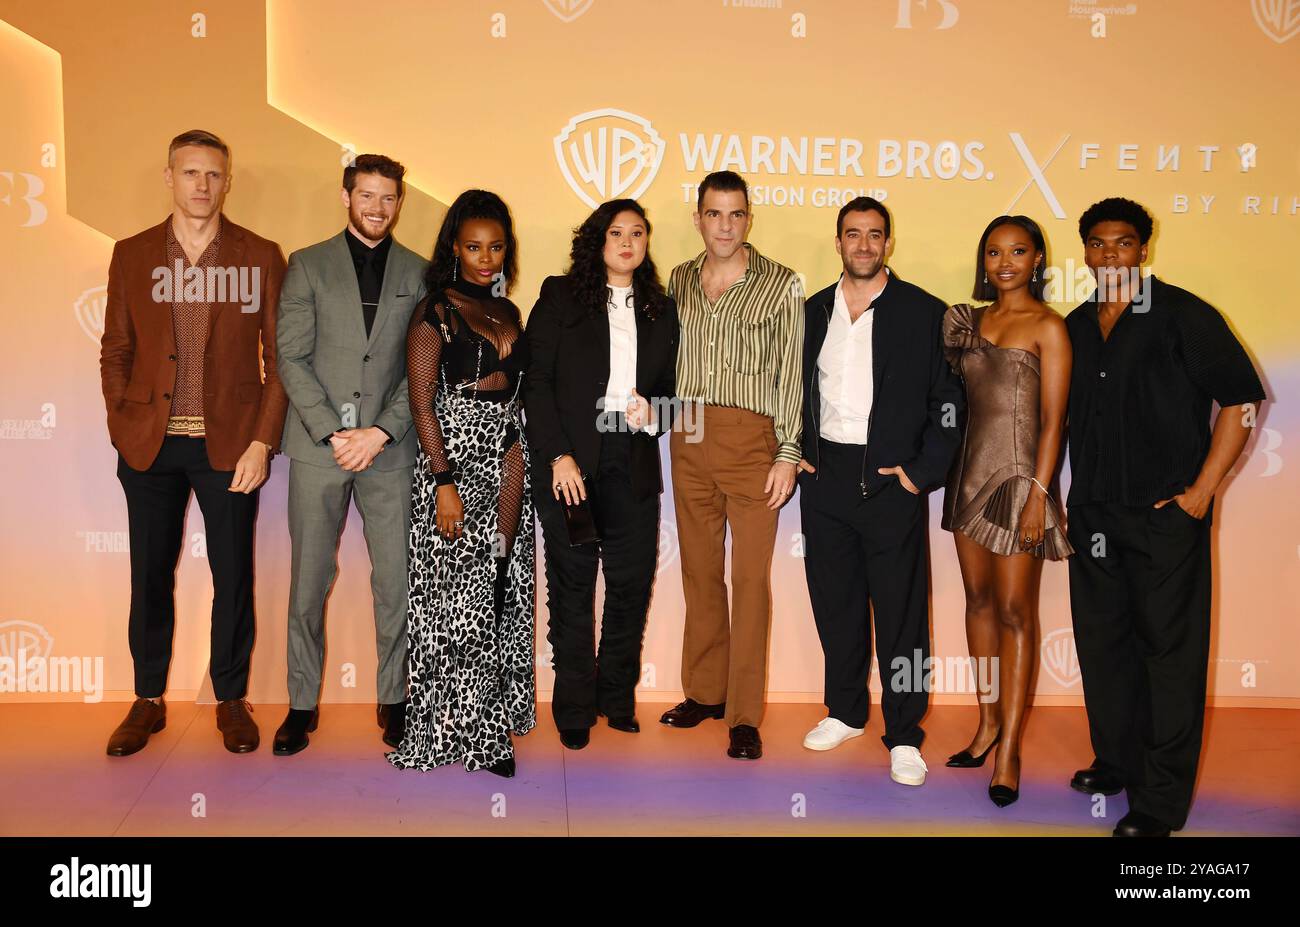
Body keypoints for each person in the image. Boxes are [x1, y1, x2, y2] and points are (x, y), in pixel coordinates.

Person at [1064, 197, 1265, 837]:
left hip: (1164, 517)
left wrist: (1203, 492)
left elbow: (1240, 401)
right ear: (1086, 251)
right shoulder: (1074, 323)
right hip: (1093, 513)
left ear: (1144, 248)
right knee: (1104, 648)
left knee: (1169, 658)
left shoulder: (1184, 314)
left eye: (1123, 243)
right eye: (1098, 244)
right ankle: (1117, 761)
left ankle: (1158, 803)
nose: (1109, 256)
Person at [100, 129, 288, 755]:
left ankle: (231, 698)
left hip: (229, 445)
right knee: (149, 574)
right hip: (149, 446)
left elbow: (280, 358)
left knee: (233, 575)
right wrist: (122, 426)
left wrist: (262, 441)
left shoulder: (260, 255)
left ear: (227, 181)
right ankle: (148, 698)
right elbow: (117, 349)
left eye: (213, 175)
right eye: (190, 174)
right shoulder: (131, 255)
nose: (202, 186)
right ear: (170, 177)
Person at [796, 197, 963, 787]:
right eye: (852, 235)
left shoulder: (925, 312)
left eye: (874, 235)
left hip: (893, 482)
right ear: (837, 241)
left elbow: (951, 402)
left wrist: (922, 472)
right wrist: (799, 456)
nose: (863, 245)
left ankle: (904, 733)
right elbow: (790, 391)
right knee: (835, 603)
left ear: (888, 242)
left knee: (901, 615)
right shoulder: (811, 311)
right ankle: (844, 711)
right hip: (825, 477)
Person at [273, 154, 429, 756]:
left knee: (396, 581)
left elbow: (421, 371)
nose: (377, 208)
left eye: (388, 198)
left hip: (389, 453)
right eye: (366, 195)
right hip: (320, 449)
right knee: (309, 581)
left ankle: (394, 700)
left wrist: (380, 433)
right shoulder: (307, 265)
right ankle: (302, 704)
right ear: (347, 197)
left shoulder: (419, 272)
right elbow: (291, 357)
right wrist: (333, 432)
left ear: (399, 201)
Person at [385, 190, 534, 779]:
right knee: (456, 606)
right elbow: (423, 406)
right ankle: (467, 735)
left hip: (509, 458)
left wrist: (519, 454)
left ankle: (494, 716)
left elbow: (518, 393)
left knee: (500, 592)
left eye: (496, 247)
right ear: (454, 246)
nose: (485, 258)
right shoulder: (434, 313)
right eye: (474, 247)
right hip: (456, 466)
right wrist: (444, 483)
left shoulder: (510, 313)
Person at [525, 199, 679, 750]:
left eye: (638, 232)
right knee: (572, 586)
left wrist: (656, 413)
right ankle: (573, 706)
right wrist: (557, 456)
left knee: (631, 584)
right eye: (617, 232)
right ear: (598, 239)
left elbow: (676, 400)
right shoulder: (560, 296)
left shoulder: (662, 309)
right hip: (571, 460)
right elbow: (535, 383)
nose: (628, 242)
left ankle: (615, 698)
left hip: (631, 458)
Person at [660, 170, 804, 761]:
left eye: (736, 214)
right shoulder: (678, 280)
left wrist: (789, 453)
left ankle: (744, 716)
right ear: (698, 217)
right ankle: (705, 693)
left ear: (749, 218)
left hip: (753, 442)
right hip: (688, 433)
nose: (725, 225)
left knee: (749, 583)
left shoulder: (781, 284)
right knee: (698, 572)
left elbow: (792, 371)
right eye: (714, 214)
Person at [940, 215, 1072, 806]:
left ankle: (1012, 747)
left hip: (1021, 485)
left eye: (1018, 251)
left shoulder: (1049, 327)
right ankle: (988, 722)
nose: (1006, 262)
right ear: (983, 260)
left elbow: (1053, 423)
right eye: (994, 252)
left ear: (1038, 258)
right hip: (967, 480)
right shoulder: (967, 322)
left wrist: (1040, 496)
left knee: (1017, 610)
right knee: (979, 603)